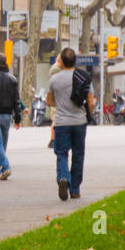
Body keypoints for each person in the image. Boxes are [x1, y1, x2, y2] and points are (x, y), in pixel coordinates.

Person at [46, 46, 94, 201]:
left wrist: (60, 105)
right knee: (78, 154)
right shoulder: (84, 77)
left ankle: (63, 177)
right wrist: (89, 115)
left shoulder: (54, 79)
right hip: (79, 122)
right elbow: (91, 102)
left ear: (61, 62)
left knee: (61, 153)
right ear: (75, 60)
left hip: (61, 122)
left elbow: (49, 101)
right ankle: (75, 189)